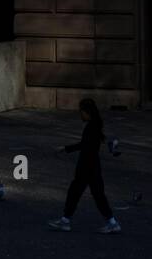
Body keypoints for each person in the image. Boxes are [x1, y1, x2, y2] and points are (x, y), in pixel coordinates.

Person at [48, 98, 120, 233]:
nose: (80, 114)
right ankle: (112, 223)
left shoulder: (91, 127)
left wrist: (65, 148)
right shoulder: (96, 125)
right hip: (93, 166)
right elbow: (93, 143)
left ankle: (65, 221)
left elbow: (84, 146)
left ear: (87, 112)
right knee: (97, 195)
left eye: (81, 111)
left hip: (87, 166)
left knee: (75, 193)